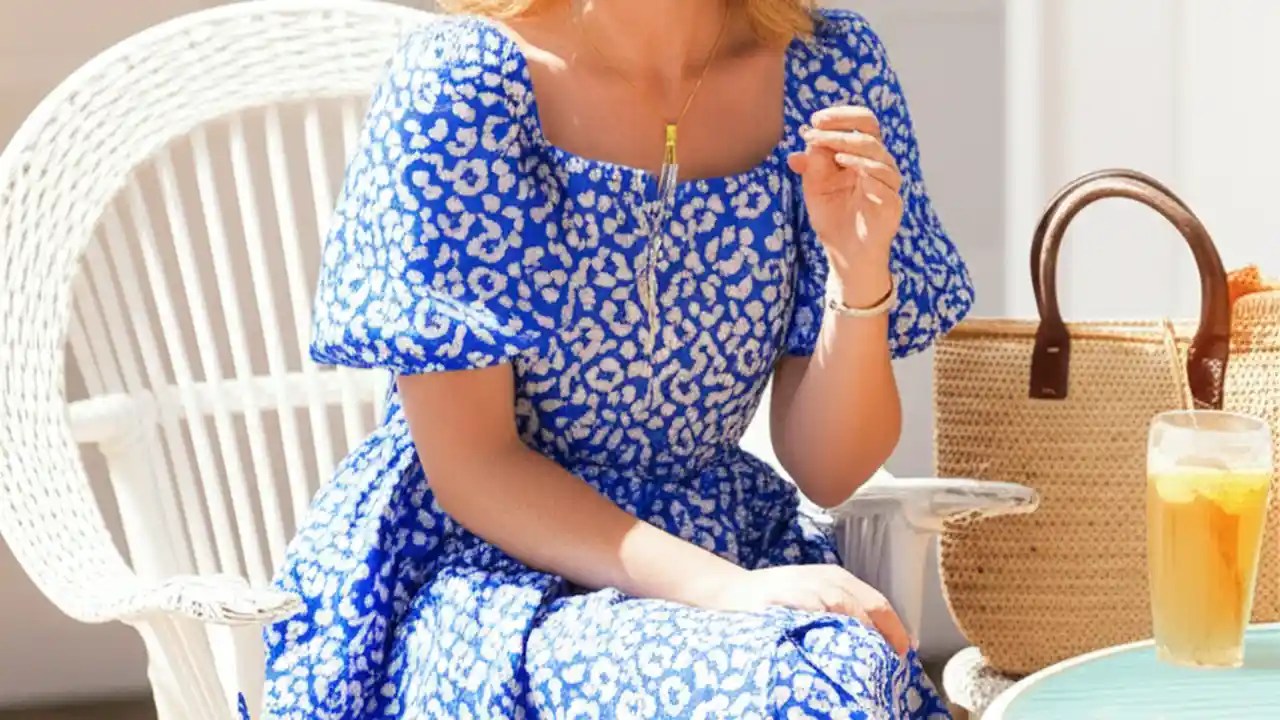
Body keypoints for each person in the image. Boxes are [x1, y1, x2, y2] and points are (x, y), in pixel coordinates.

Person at [258, 0, 972, 717]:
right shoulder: (465, 83)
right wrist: (725, 590)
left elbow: (830, 467)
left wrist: (857, 270)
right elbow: (473, 467)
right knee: (798, 692)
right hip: (491, 571)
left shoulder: (826, 68)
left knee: (837, 675)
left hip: (725, 551)